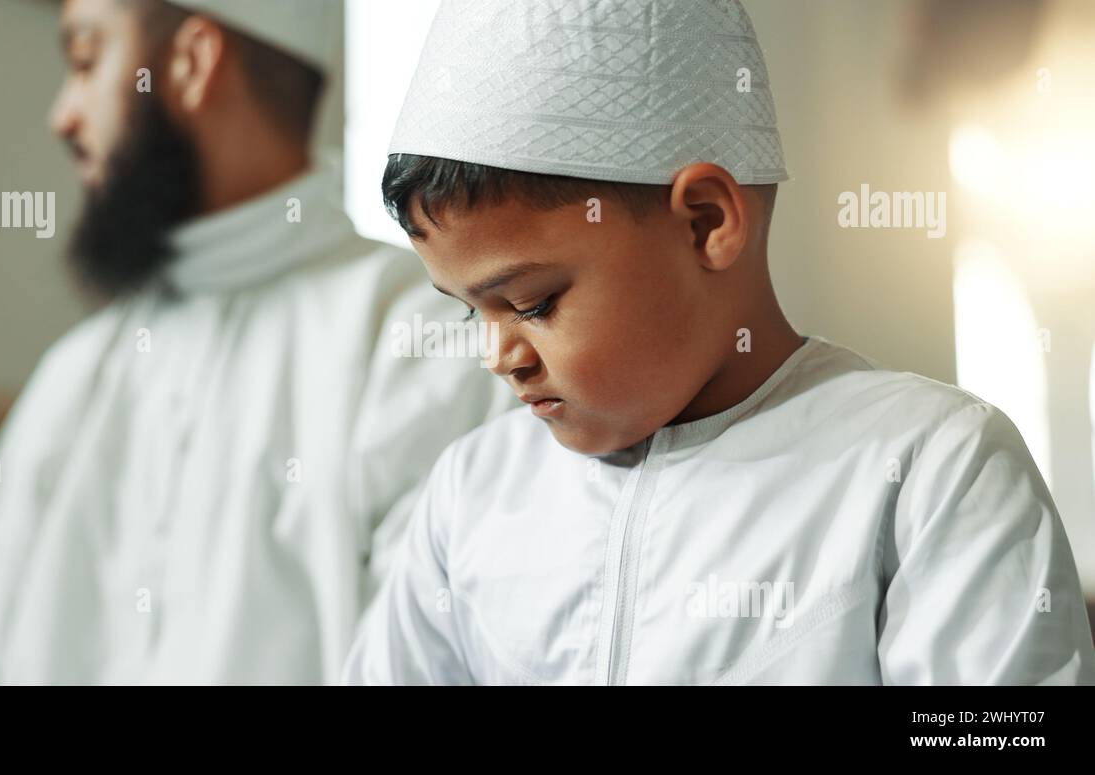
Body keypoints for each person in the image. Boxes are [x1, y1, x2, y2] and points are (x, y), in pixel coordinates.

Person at [343, 0, 1095, 685]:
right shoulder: (470, 496)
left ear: (706, 223)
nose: (498, 355)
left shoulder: (931, 471)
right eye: (469, 311)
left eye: (533, 303)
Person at [0, 0, 510, 685]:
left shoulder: (421, 340)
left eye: (87, 61)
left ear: (191, 63)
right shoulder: (78, 373)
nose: (62, 113)